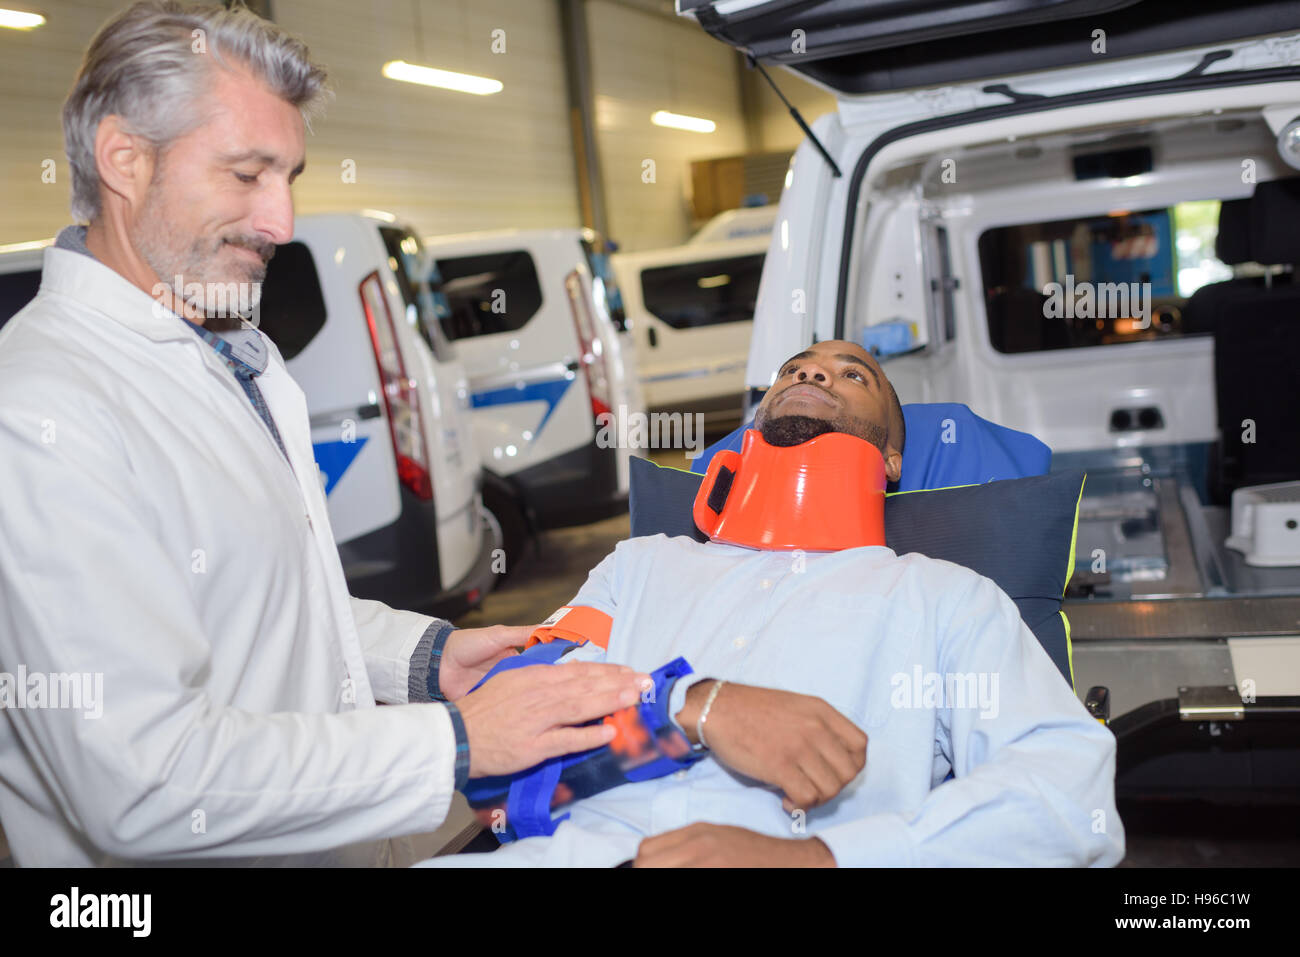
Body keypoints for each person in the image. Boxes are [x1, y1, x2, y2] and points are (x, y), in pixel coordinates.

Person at [0, 0, 646, 867]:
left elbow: (259, 607)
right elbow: (141, 777)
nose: (281, 223)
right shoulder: (43, 406)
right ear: (124, 159)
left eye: (290, 176)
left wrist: (425, 661)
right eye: (246, 174)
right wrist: (454, 743)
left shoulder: (229, 354)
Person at [426, 339, 1125, 867]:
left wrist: (823, 856)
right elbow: (495, 739)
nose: (811, 374)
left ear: (890, 461)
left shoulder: (944, 597)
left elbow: (1068, 789)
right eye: (794, 369)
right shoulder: (641, 565)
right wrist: (680, 707)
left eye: (852, 374)